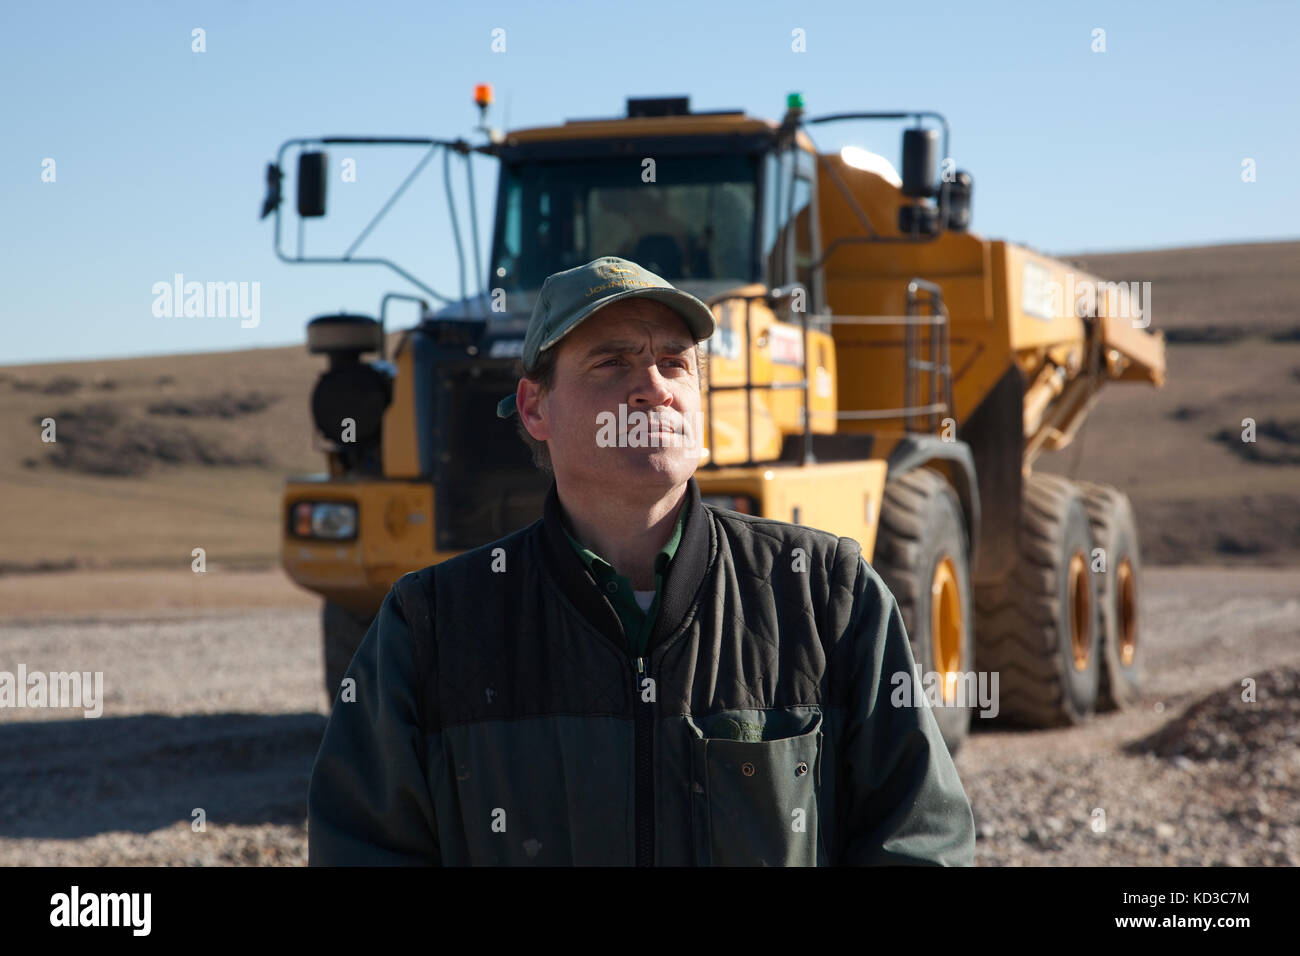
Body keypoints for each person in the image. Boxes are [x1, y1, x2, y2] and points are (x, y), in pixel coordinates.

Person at [307, 255, 975, 866]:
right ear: (536, 406)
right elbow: (363, 848)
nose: (654, 388)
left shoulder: (826, 596)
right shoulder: (432, 625)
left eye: (675, 363)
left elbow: (920, 839)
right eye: (612, 363)